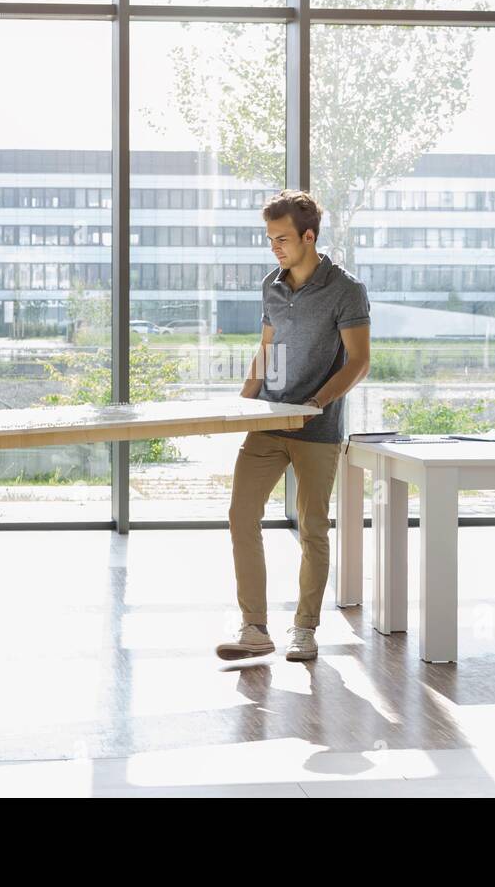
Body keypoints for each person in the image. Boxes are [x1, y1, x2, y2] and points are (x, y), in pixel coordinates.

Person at [217, 190, 371, 663]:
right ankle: (254, 628)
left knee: (312, 529)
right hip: (267, 423)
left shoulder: (345, 289)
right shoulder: (272, 284)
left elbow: (360, 361)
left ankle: (305, 628)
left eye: (282, 238)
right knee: (241, 516)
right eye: (270, 239)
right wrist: (244, 403)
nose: (275, 247)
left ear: (309, 236)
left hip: (316, 429)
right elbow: (266, 349)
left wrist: (316, 403)